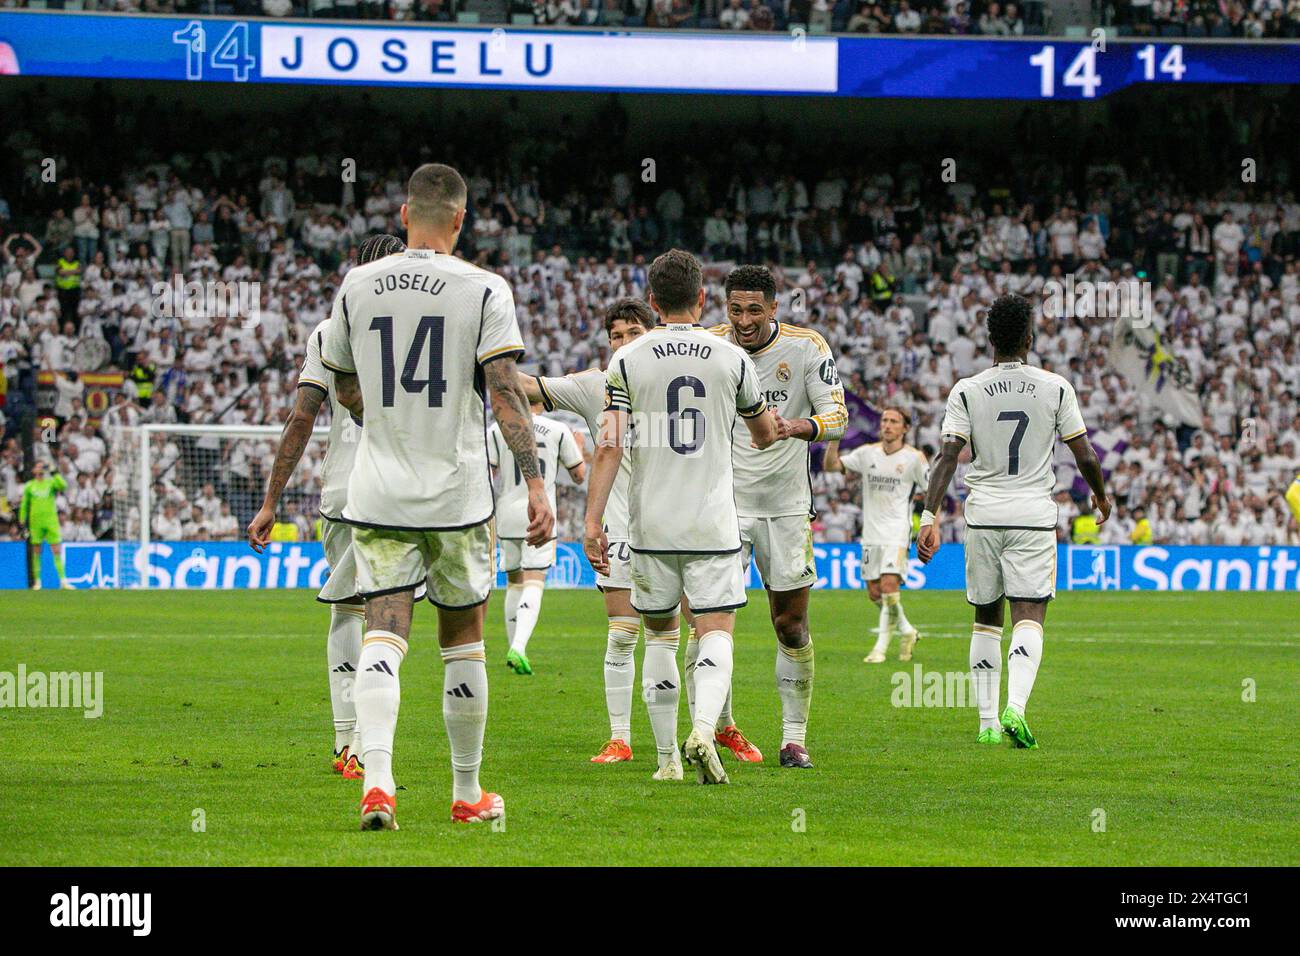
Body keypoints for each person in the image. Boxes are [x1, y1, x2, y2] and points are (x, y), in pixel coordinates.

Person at [319, 165, 552, 829]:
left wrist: (387, 427)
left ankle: (379, 784)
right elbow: (505, 391)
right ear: (459, 218)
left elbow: (342, 384)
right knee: (462, 640)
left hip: (378, 491)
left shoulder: (357, 285)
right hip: (455, 494)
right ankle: (467, 792)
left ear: (403, 215)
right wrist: (534, 480)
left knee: (384, 630)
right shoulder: (483, 287)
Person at [583, 249, 781, 784]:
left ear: (651, 301)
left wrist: (592, 521)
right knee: (716, 631)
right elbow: (764, 437)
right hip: (712, 521)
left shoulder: (626, 360)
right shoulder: (731, 358)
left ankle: (667, 758)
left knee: (661, 637)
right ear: (701, 298)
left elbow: (608, 446)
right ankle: (705, 725)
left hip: (650, 525)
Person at [917, 294, 1110, 749]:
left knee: (986, 618)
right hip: (1032, 516)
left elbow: (948, 457)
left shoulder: (967, 388)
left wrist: (929, 515)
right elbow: (1084, 452)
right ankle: (1015, 709)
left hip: (984, 514)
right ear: (1029, 336)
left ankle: (985, 723)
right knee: (1030, 615)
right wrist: (1101, 495)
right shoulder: (1055, 386)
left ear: (989, 339)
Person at [248, 233, 406, 782]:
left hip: (343, 491)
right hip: (409, 493)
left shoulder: (330, 330)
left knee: (348, 610)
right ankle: (365, 742)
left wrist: (272, 502)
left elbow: (302, 417)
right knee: (391, 617)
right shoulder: (425, 329)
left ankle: (348, 740)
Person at [705, 264, 848, 770]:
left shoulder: (807, 346)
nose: (743, 320)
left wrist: (798, 427)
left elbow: (838, 415)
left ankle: (794, 738)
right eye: (735, 309)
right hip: (723, 505)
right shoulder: (710, 345)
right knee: (711, 618)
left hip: (786, 507)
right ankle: (717, 726)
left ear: (773, 308)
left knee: (789, 624)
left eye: (753, 310)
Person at [518, 298, 657, 763]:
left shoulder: (679, 379)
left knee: (693, 631)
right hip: (617, 526)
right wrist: (480, 360)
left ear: (653, 334)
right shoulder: (595, 385)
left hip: (677, 524)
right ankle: (620, 737)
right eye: (615, 335)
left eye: (633, 333)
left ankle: (716, 726)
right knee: (622, 632)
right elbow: (527, 388)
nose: (622, 343)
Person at [487, 400, 585, 675]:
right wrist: (578, 447)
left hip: (507, 512)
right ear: (543, 400)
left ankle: (513, 646)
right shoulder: (558, 429)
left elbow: (488, 471)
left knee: (514, 582)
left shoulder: (498, 428)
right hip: (540, 513)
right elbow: (579, 475)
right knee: (534, 579)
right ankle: (518, 646)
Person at [824, 406, 928, 665]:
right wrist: (835, 437)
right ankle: (907, 631)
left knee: (889, 589)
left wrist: (930, 523)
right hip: (870, 534)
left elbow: (933, 487)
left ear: (905, 428)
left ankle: (880, 649)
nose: (887, 425)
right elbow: (831, 466)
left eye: (894, 421)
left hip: (896, 533)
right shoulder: (866, 453)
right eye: (884, 421)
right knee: (874, 593)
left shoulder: (914, 458)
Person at [20, 461, 71, 590]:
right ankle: (37, 582)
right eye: (38, 466)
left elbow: (63, 485)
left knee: (56, 550)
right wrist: (22, 518)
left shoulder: (50, 482)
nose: (41, 468)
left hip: (51, 521)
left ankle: (63, 581)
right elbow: (25, 504)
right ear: (33, 470)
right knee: (37, 551)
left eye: (42, 466)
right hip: (36, 522)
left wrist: (54, 472)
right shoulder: (30, 486)